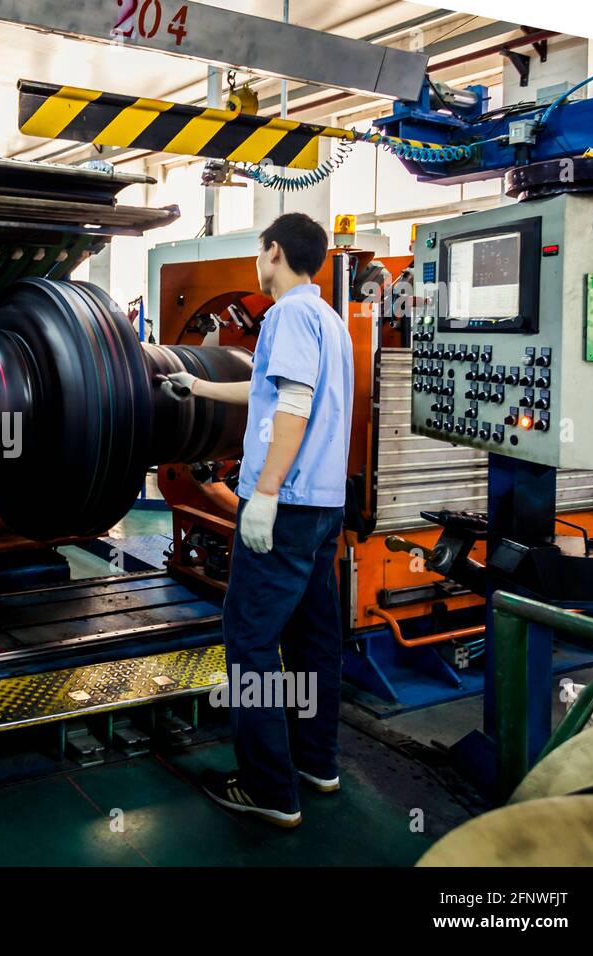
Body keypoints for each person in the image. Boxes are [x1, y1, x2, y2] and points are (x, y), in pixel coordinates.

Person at [162, 212, 354, 828]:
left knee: (250, 642)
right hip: (323, 506)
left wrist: (265, 492)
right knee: (313, 639)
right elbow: (270, 390)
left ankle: (269, 788)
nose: (257, 260)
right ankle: (314, 764)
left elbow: (293, 404)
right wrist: (197, 386)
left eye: (259, 250)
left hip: (288, 502)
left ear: (273, 252)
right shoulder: (328, 318)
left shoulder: (290, 314)